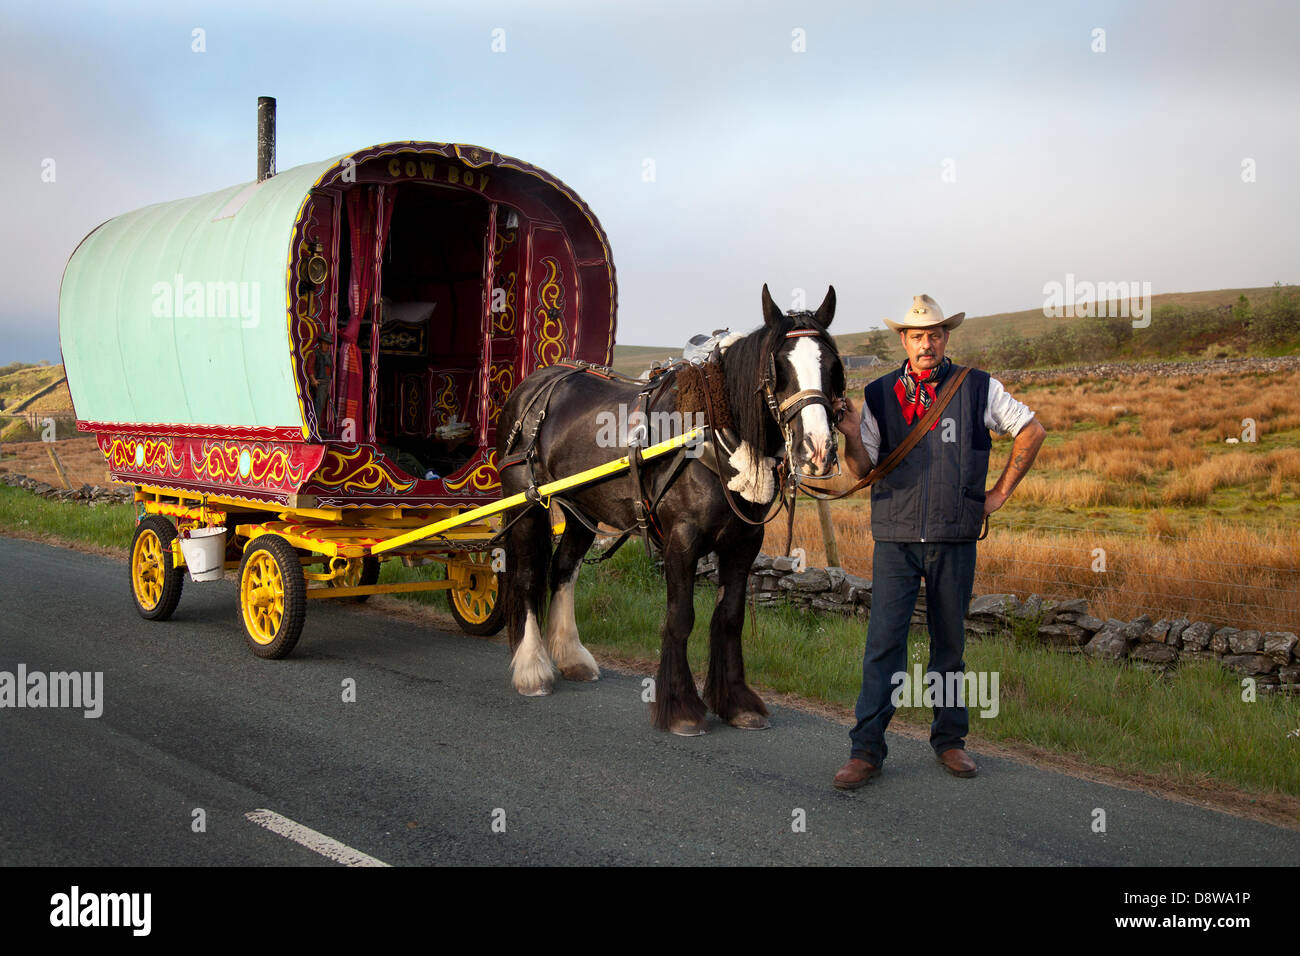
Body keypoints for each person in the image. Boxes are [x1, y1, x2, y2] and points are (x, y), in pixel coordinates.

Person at [830, 294, 1046, 787]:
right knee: (883, 644)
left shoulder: (978, 387)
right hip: (896, 535)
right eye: (916, 335)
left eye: (934, 335)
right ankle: (865, 751)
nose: (926, 343)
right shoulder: (879, 394)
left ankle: (950, 742)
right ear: (902, 340)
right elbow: (863, 468)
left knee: (950, 644)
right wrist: (849, 433)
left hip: (955, 535)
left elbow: (1032, 431)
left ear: (945, 338)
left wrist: (998, 495)